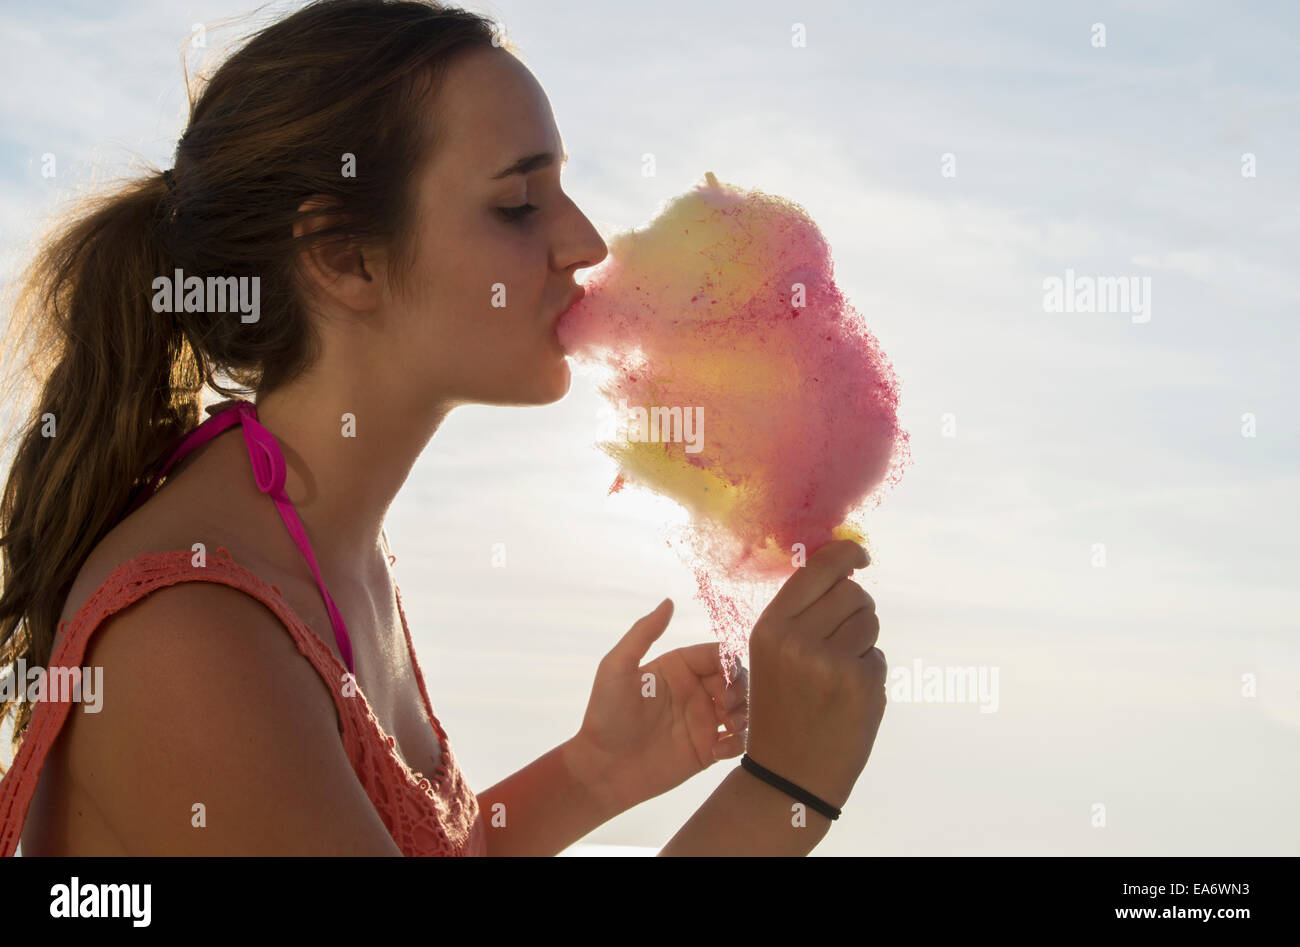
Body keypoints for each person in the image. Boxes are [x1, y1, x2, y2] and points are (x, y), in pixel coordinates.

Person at [0, 0, 886, 856]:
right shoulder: (195, 638)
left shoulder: (323, 539)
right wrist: (786, 792)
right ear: (345, 257)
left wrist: (592, 773)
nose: (583, 243)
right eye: (518, 203)